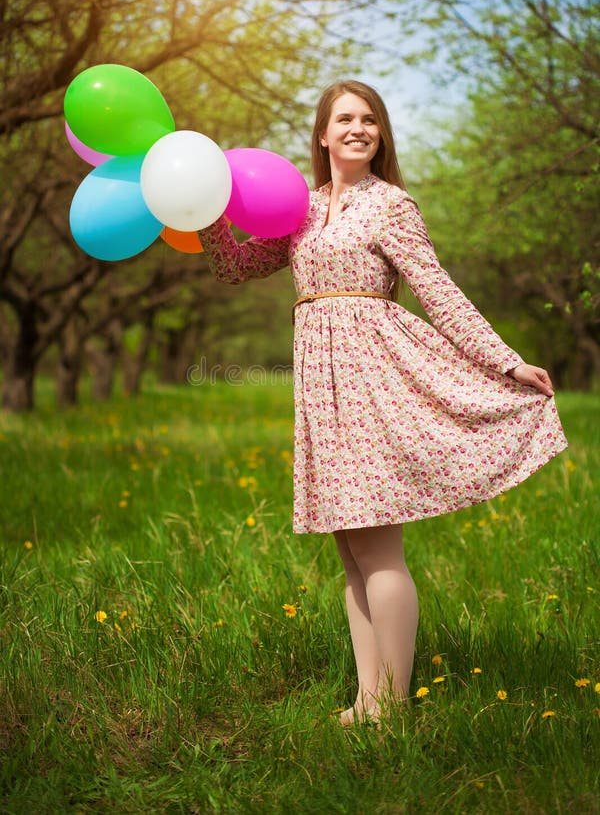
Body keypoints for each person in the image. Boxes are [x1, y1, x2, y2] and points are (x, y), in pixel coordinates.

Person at [197, 80, 568, 726]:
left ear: (381, 134)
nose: (358, 128)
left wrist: (505, 360)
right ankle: (369, 701)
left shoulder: (391, 205)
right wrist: (202, 210)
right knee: (351, 552)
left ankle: (391, 707)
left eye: (369, 119)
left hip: (374, 379)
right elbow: (232, 266)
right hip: (323, 387)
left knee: (379, 550)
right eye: (344, 118)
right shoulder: (300, 210)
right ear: (322, 134)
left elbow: (438, 290)